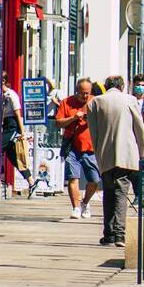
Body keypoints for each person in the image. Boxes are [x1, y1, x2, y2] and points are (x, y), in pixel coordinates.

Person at [85, 76, 144, 248]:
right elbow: (140, 128)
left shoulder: (95, 102)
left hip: (105, 154)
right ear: (122, 86)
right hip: (126, 153)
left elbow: (94, 132)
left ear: (106, 87)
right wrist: (142, 152)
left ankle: (108, 233)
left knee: (108, 193)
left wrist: (98, 154)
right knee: (121, 193)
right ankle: (119, 234)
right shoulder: (130, 100)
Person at [55, 78, 101, 219]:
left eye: (87, 93)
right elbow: (58, 123)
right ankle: (75, 207)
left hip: (91, 147)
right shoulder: (66, 102)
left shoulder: (95, 101)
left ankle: (85, 203)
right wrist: (74, 118)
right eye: (82, 93)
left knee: (94, 180)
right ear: (76, 91)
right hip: (72, 147)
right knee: (72, 178)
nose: (85, 96)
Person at [0, 80, 36, 197]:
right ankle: (31, 182)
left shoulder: (12, 95)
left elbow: (17, 114)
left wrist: (22, 132)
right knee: (13, 156)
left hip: (10, 126)